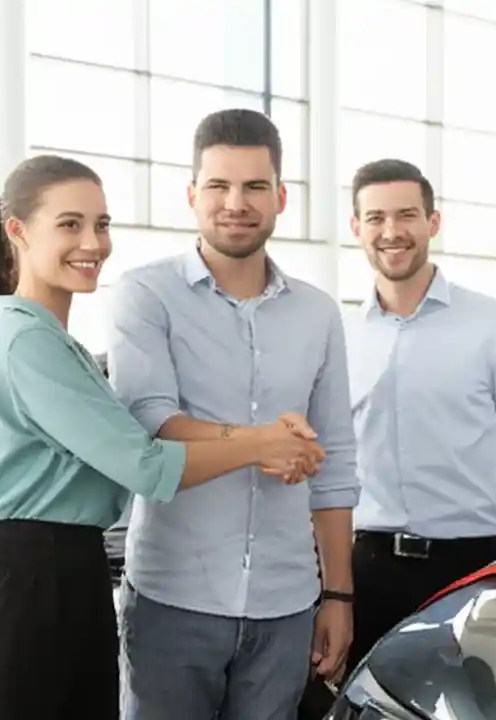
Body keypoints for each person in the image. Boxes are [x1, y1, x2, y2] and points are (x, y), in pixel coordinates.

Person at [0, 154, 324, 720]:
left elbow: (136, 436)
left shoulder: (58, 344)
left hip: (69, 576)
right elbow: (146, 464)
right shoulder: (27, 343)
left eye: (102, 224)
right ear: (18, 231)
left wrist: (257, 434)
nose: (93, 242)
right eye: (69, 224)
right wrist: (264, 445)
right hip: (24, 586)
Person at [108, 109, 359, 720]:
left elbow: (336, 462)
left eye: (253, 187)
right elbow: (151, 421)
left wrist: (338, 595)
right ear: (193, 195)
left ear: (281, 197)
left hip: (287, 602)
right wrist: (262, 442)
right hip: (174, 598)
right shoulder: (146, 294)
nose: (235, 203)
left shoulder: (318, 313)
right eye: (218, 186)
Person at [341, 158, 496, 675]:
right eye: (376, 218)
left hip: (471, 567)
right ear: (357, 229)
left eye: (407, 215)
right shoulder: (339, 335)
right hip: (366, 569)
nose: (392, 232)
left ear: (433, 223)